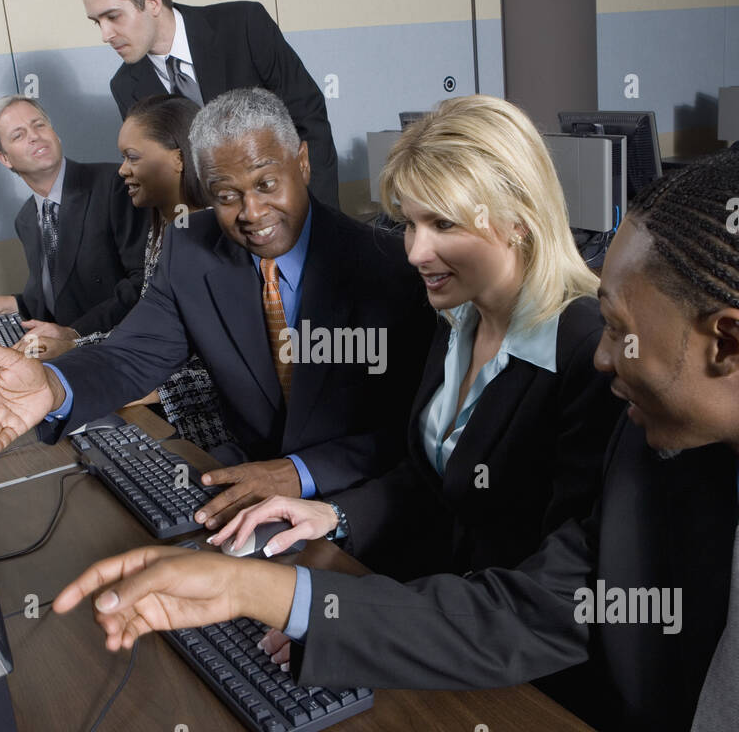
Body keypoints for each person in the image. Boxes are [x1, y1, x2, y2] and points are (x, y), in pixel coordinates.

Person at [52, 151, 739, 732]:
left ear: (730, 346)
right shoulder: (663, 443)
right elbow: (529, 612)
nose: (603, 358)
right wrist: (256, 593)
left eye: (622, 335)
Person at [0, 87, 435, 531]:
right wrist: (54, 384)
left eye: (267, 184)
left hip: (355, 508)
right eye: (227, 196)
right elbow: (130, 355)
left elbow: (411, 431)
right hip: (244, 491)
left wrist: (297, 474)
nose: (251, 212)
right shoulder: (189, 248)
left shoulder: (389, 269)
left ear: (302, 163)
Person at [210, 95, 621, 582]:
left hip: (495, 637)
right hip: (432, 599)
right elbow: (436, 486)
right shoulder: (456, 318)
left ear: (518, 220)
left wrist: (363, 620)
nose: (415, 251)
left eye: (443, 224)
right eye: (409, 223)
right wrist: (337, 516)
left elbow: (553, 585)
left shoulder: (586, 350)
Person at [20, 93, 234, 453]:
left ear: (179, 158)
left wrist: (138, 388)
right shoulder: (163, 230)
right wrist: (74, 346)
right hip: (166, 415)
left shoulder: (217, 241)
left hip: (212, 436)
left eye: (132, 157)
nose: (122, 170)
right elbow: (149, 338)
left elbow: (228, 371)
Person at [73, 0, 340, 208]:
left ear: (153, 2)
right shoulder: (124, 86)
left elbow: (308, 120)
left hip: (285, 210)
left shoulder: (244, 25)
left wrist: (317, 220)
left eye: (113, 17)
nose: (105, 35)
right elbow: (164, 179)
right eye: (97, 22)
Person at [0, 95, 150, 338]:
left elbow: (144, 283)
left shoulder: (113, 186)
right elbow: (58, 295)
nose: (34, 136)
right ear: (5, 159)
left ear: (55, 133)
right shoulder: (26, 220)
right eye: (18, 135)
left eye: (39, 125)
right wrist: (7, 304)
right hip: (70, 350)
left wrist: (73, 334)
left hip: (120, 343)